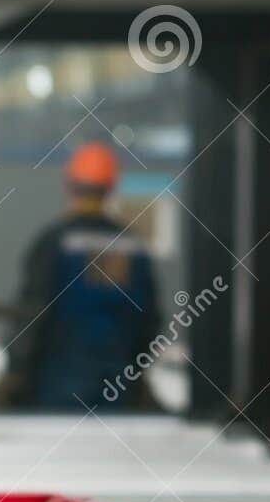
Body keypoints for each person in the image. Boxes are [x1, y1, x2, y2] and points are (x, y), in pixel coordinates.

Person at [11, 141, 160, 410]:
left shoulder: (54, 242)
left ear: (68, 185)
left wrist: (16, 372)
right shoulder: (131, 247)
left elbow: (31, 314)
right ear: (111, 188)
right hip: (118, 384)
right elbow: (149, 320)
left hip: (58, 384)